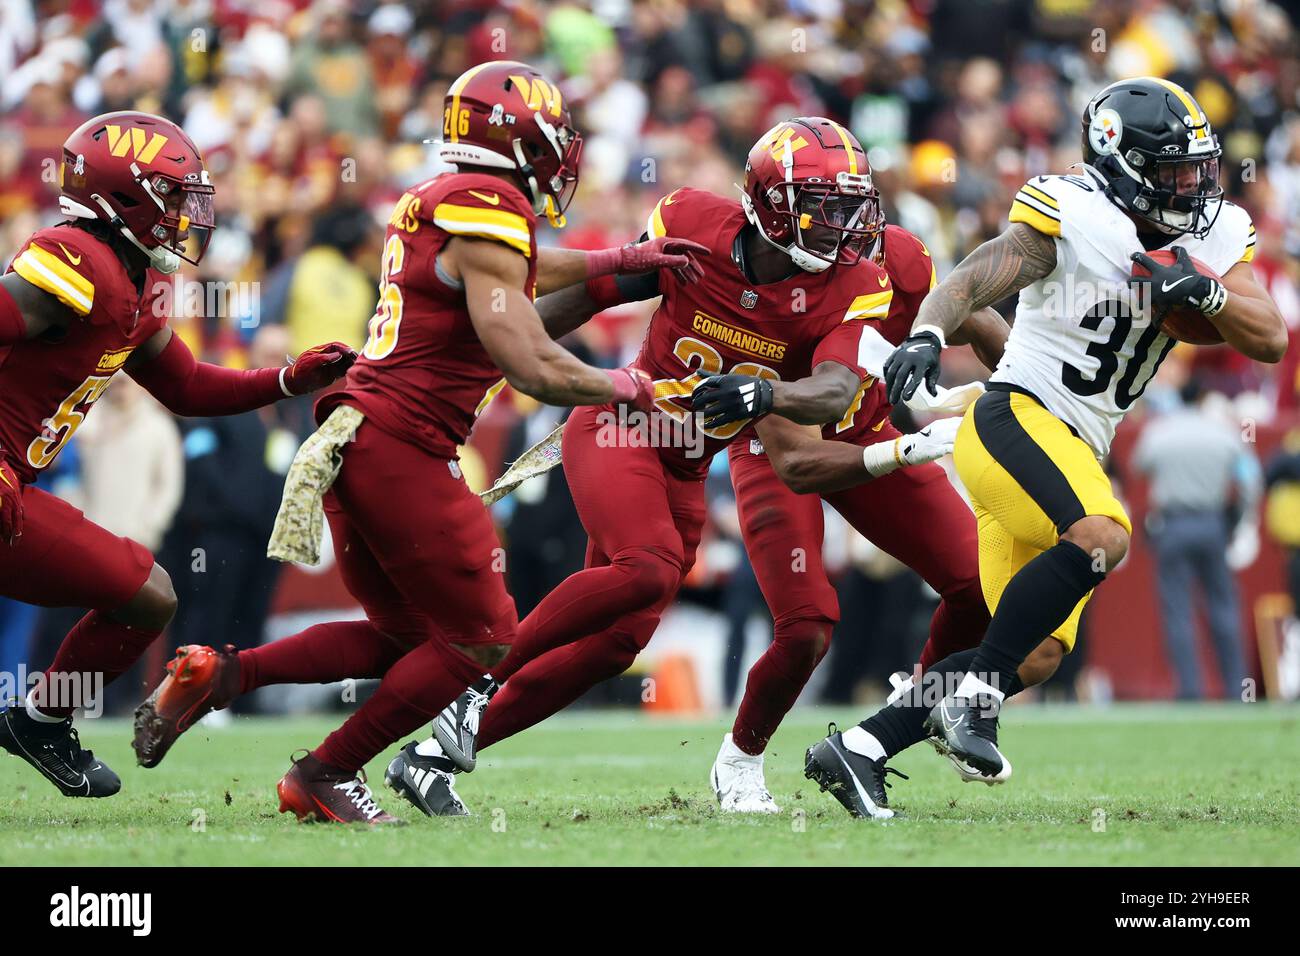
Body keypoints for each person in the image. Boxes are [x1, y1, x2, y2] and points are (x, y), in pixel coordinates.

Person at [130, 61, 708, 824]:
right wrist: (624, 385)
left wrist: (618, 261)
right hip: (402, 443)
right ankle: (326, 770)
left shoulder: (451, 202)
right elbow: (527, 360)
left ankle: (224, 674)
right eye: (549, 139)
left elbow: (519, 272)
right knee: (487, 641)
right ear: (521, 138)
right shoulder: (489, 209)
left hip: (359, 436)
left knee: (407, 637)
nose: (559, 157)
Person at [389, 117, 930, 817]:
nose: (843, 225)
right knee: (644, 566)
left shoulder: (851, 281)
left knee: (614, 645)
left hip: (686, 459)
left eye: (850, 206)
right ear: (770, 204)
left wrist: (768, 392)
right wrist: (496, 345)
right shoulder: (692, 223)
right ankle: (477, 684)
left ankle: (430, 759)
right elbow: (594, 293)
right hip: (623, 424)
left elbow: (835, 387)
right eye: (824, 205)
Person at [806, 77, 1286, 819]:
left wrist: (1205, 291)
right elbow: (970, 279)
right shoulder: (1073, 212)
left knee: (1033, 652)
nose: (1191, 187)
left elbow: (1270, 339)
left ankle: (860, 750)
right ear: (1120, 161)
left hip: (1070, 450)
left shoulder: (1216, 234)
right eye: (1172, 170)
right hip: (1016, 420)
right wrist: (930, 334)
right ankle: (976, 699)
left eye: (1198, 169)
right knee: (1103, 536)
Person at [0, 110, 357, 799]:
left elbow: (187, 386)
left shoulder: (136, 282)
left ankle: (41, 723)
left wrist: (287, 379)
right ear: (123, 198)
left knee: (145, 594)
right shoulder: (78, 258)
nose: (187, 217)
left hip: (17, 486)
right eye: (174, 198)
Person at [707, 217, 1007, 812]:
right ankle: (739, 758)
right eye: (819, 218)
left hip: (866, 427)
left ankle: (912, 712)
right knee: (807, 625)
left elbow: (969, 312)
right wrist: (901, 448)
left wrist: (1027, 389)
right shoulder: (772, 285)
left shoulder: (900, 258)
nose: (838, 244)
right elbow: (799, 457)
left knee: (980, 584)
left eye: (845, 214)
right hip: (780, 449)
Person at [1133, 377, 1258, 700]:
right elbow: (1249, 480)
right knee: (1223, 608)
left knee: (1177, 611)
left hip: (1173, 525)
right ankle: (1236, 689)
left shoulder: (1160, 431)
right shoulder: (1224, 432)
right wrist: (1236, 518)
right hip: (1212, 523)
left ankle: (1190, 690)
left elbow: (1139, 466)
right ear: (1204, 398)